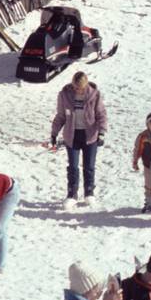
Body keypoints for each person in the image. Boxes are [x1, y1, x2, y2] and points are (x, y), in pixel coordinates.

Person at [50, 71, 108, 209]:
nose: (78, 90)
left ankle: (89, 193)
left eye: (80, 88)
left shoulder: (95, 95)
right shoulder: (64, 95)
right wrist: (54, 133)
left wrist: (101, 133)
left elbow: (101, 115)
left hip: (90, 135)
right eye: (76, 87)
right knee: (73, 166)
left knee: (89, 166)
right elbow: (61, 116)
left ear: (86, 84)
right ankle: (72, 194)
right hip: (72, 135)